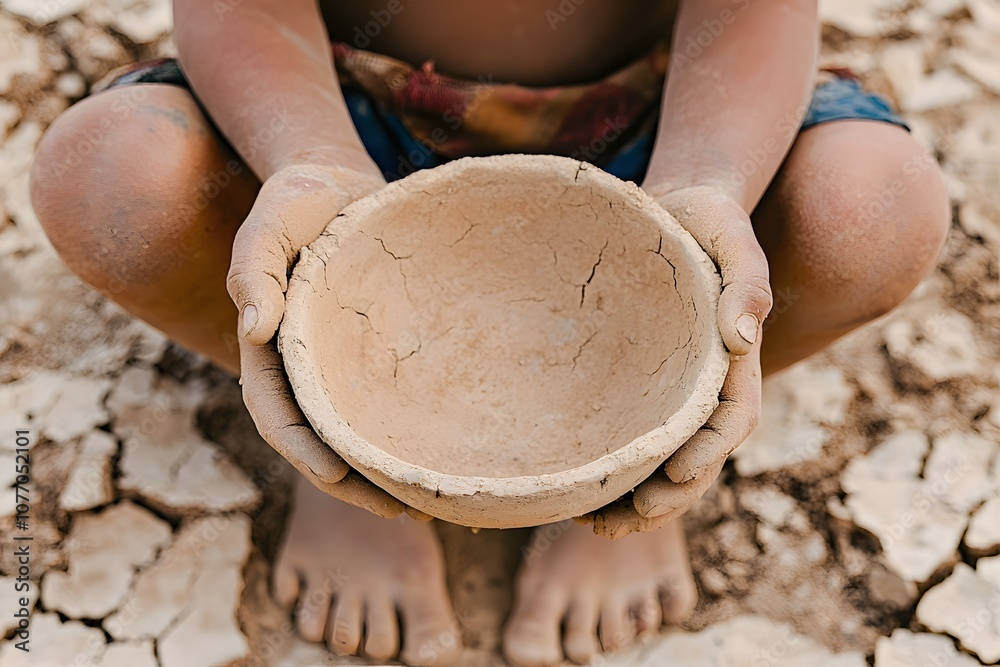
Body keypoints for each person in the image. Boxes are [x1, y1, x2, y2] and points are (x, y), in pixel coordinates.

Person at [29, 0, 949, 665]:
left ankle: (649, 453)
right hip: (339, 115)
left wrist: (708, 185)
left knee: (873, 209)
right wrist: (308, 161)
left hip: (669, 126)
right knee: (111, 176)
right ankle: (339, 451)